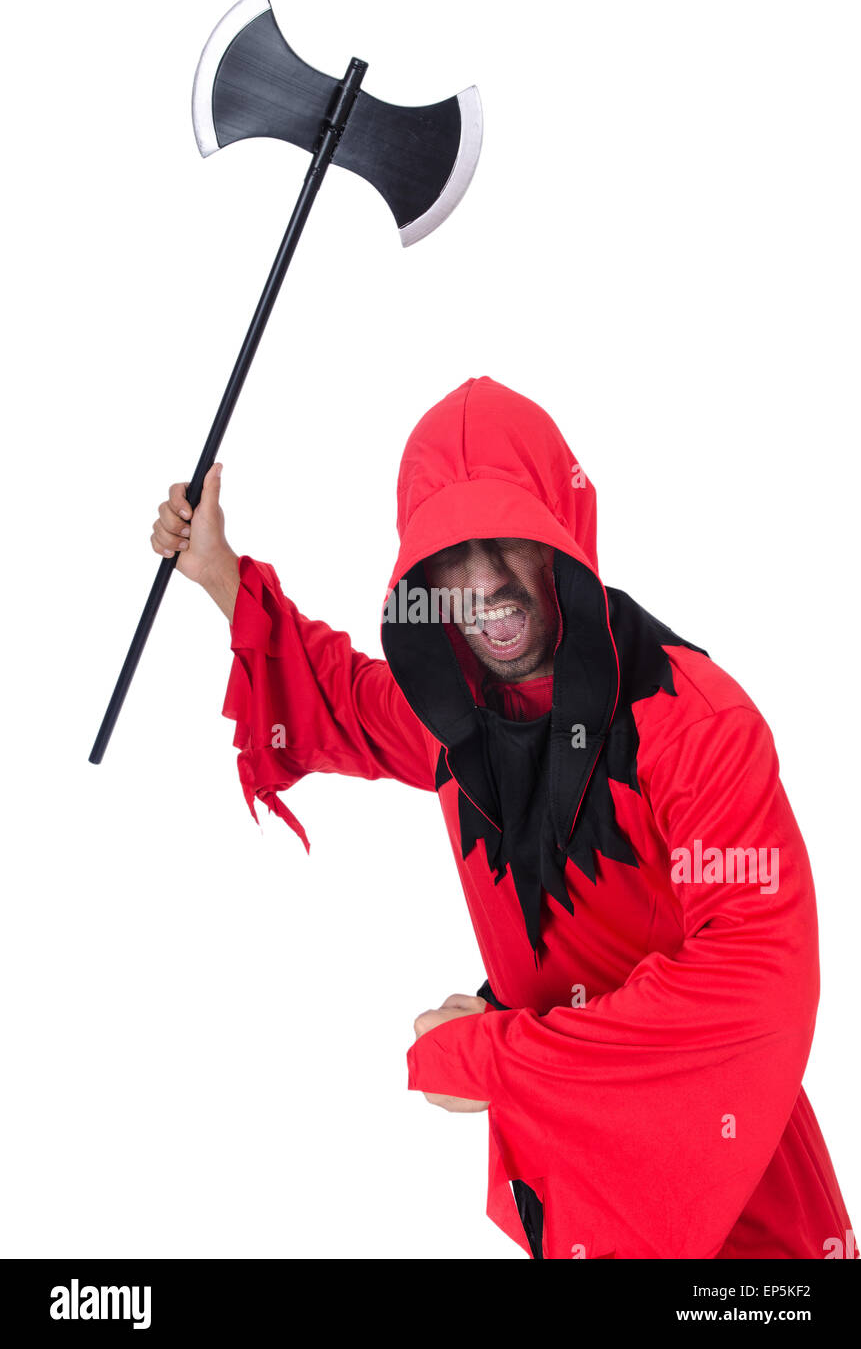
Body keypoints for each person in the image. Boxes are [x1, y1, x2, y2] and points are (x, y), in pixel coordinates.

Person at [150, 375, 855, 1260]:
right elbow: (344, 699)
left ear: (561, 535)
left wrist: (495, 1056)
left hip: (737, 1214)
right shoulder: (458, 714)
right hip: (585, 1202)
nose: (482, 587)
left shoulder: (694, 726)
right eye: (449, 554)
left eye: (505, 542)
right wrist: (219, 572)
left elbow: (754, 990)